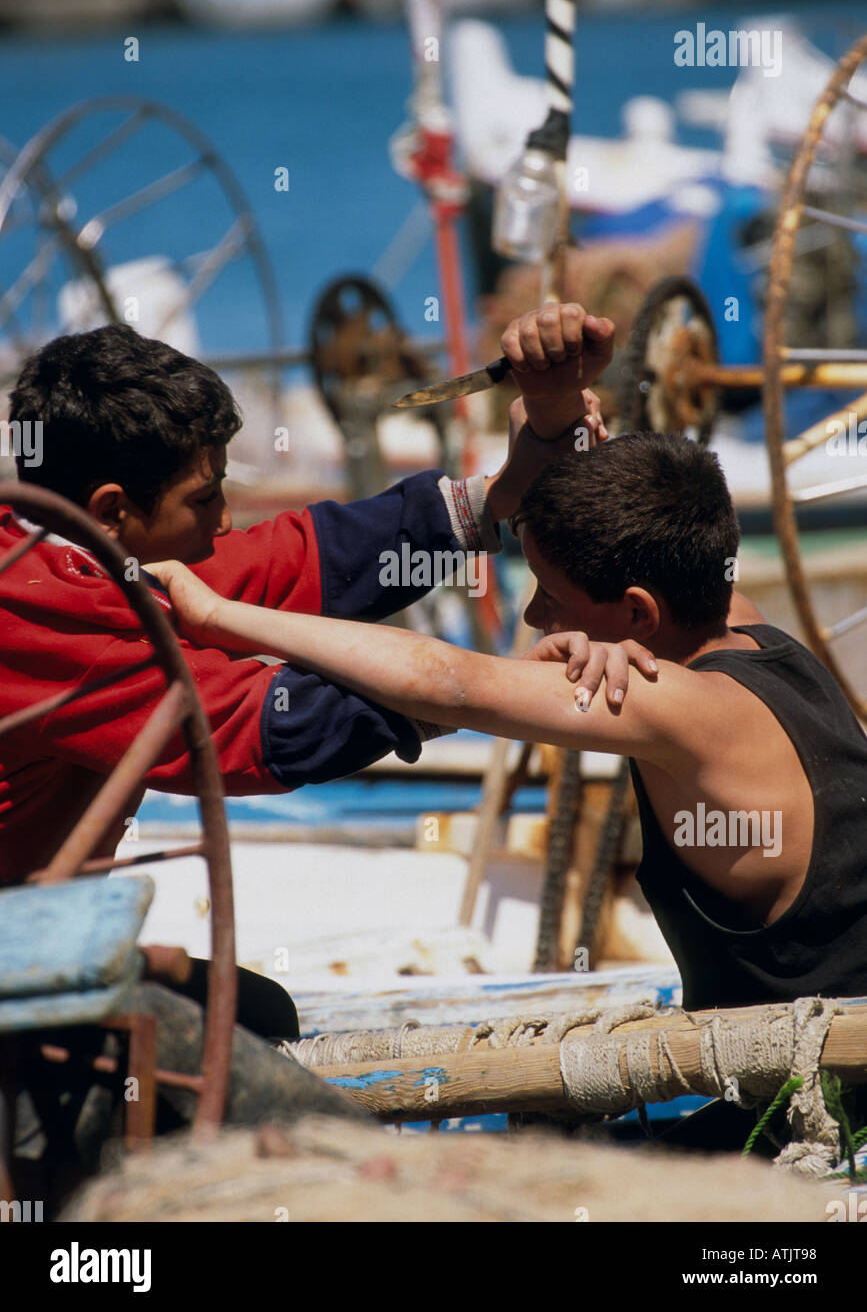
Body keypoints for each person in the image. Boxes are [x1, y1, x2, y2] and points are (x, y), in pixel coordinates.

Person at [146, 431, 867, 1152]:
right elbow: (657, 525)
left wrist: (217, 619)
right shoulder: (748, 633)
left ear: (640, 615)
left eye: (549, 597)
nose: (530, 620)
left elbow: (446, 680)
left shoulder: (680, 706)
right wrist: (563, 420)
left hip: (815, 1115)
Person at [0, 304, 618, 885]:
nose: (222, 523)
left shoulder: (52, 556)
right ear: (111, 509)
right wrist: (492, 688)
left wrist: (504, 489)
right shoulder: (47, 616)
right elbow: (256, 731)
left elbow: (300, 560)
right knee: (257, 1008)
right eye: (204, 496)